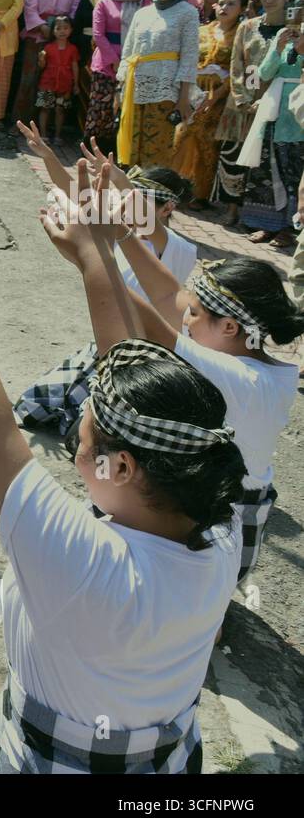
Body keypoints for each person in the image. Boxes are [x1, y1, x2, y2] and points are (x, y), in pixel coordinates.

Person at [0, 163, 243, 774]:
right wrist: (92, 256)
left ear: (124, 466)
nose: (73, 440)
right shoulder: (219, 525)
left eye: (81, 435)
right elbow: (131, 384)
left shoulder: (82, 560)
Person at [75, 157, 302, 584]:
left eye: (195, 314)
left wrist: (90, 253)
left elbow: (154, 321)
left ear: (230, 326)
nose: (186, 317)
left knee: (190, 591)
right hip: (224, 492)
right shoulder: (262, 365)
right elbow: (166, 293)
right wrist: (121, 233)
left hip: (229, 507)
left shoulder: (246, 381)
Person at [11, 135, 198, 436]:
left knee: (84, 431)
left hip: (141, 359)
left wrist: (123, 183)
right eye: (127, 197)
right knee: (29, 409)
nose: (127, 204)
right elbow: (75, 194)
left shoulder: (177, 248)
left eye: (139, 199)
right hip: (106, 343)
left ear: (167, 209)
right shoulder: (116, 230)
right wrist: (48, 157)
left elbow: (144, 218)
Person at [236, 0, 303, 246]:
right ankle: (267, 224)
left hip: (298, 113)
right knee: (267, 169)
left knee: (294, 170)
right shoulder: (281, 35)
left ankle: (291, 227)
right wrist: (277, 48)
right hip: (273, 108)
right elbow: (263, 73)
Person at [225, 0, 293, 234]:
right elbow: (237, 64)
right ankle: (236, 210)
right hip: (244, 103)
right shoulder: (248, 26)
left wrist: (266, 101)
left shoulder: (293, 30)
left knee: (272, 163)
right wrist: (243, 100)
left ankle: (276, 224)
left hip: (279, 104)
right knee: (238, 157)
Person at [116, 0, 201, 169]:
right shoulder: (142, 13)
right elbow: (128, 52)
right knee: (133, 146)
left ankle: (152, 199)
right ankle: (132, 195)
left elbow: (189, 57)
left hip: (165, 89)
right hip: (135, 88)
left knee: (157, 149)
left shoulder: (187, 12)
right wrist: (120, 90)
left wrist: (183, 99)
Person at [173, 0, 244, 206]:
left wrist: (216, 96)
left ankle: (201, 194)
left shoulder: (241, 34)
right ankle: (172, 184)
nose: (224, 7)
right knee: (180, 137)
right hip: (193, 91)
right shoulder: (202, 31)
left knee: (207, 144)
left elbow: (239, 69)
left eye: (231, 3)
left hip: (221, 97)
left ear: (241, 8)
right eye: (221, 3)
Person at [85, 0, 151, 154]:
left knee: (124, 111)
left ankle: (118, 155)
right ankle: (92, 153)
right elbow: (98, 34)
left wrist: (127, 62)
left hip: (133, 64)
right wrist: (114, 61)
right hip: (106, 65)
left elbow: (147, 34)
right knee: (100, 110)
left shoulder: (147, 4)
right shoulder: (105, 3)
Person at [13, 0, 84, 124]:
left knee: (54, 81)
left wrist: (60, 30)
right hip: (36, 34)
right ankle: (21, 121)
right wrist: (42, 26)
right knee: (28, 79)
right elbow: (29, 8)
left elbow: (75, 11)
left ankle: (46, 126)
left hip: (61, 38)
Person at [36, 17, 81, 143]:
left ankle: (57, 135)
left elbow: (75, 67)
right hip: (47, 82)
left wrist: (76, 84)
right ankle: (43, 134)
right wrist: (41, 59)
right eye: (58, 28)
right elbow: (41, 66)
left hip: (65, 84)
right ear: (53, 31)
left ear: (71, 30)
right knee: (45, 108)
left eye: (66, 28)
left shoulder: (73, 49)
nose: (62, 31)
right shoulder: (48, 47)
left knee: (60, 110)